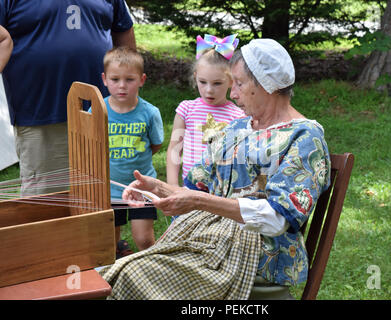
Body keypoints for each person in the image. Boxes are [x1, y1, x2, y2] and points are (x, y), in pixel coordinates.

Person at [100, 39, 331, 300]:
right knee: (115, 272)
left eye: (240, 84)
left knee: (133, 274)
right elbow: (195, 188)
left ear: (267, 85)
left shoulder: (304, 138)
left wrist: (199, 200)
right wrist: (156, 188)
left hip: (252, 255)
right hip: (208, 241)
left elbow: (276, 218)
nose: (233, 94)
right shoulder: (236, 129)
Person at [0, 0, 136, 195]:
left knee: (103, 198)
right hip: (41, 115)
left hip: (102, 113)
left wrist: (129, 88)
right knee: (47, 204)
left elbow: (123, 29)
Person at [97, 46, 164, 257]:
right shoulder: (98, 111)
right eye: (115, 79)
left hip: (141, 187)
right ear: (104, 79)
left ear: (142, 80)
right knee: (108, 241)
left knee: (144, 239)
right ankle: (114, 271)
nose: (122, 86)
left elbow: (156, 145)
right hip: (109, 189)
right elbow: (91, 144)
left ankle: (152, 269)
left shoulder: (150, 113)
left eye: (130, 79)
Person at [166, 34, 245, 187]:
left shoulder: (238, 116)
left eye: (217, 83)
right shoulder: (186, 110)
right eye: (203, 82)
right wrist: (172, 186)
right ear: (195, 77)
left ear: (231, 81)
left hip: (221, 192)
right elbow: (175, 150)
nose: (209, 90)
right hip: (189, 190)